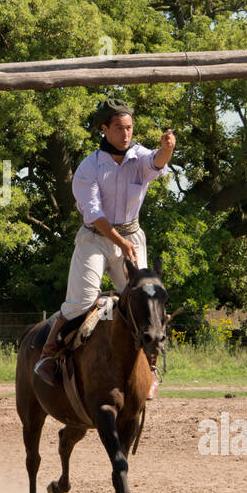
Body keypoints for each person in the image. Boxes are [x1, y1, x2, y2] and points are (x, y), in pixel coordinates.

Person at [35, 98, 175, 391]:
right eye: (119, 128)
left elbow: (156, 163)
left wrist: (167, 149)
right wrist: (120, 242)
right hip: (96, 239)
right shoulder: (89, 168)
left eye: (130, 128)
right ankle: (48, 356)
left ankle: (149, 367)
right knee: (81, 301)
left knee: (144, 298)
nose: (126, 134)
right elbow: (95, 215)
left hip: (132, 238)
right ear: (104, 129)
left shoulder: (138, 156)